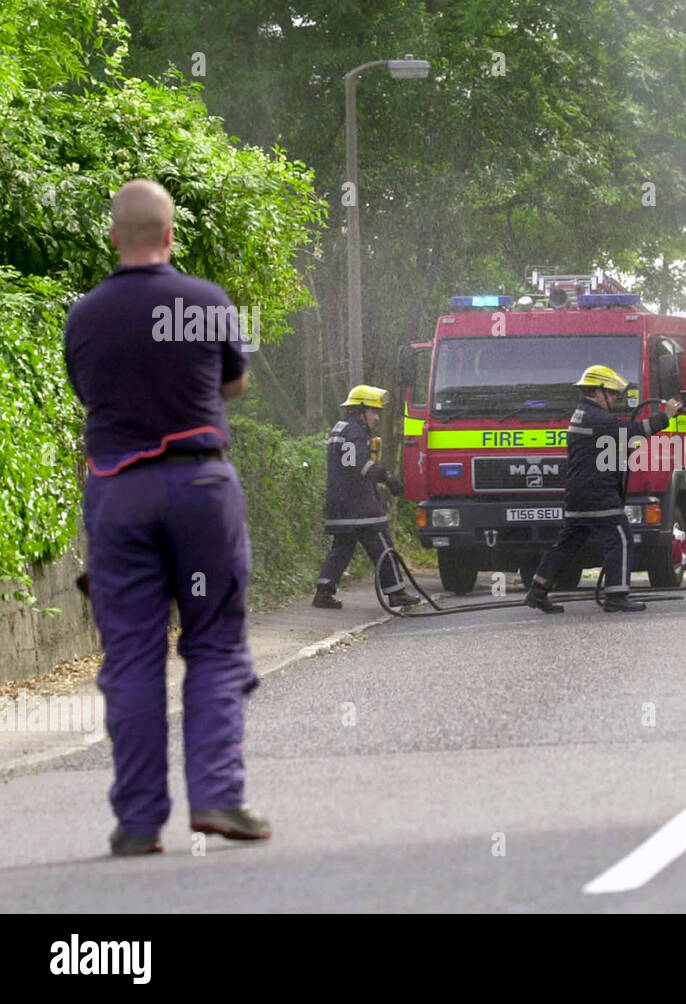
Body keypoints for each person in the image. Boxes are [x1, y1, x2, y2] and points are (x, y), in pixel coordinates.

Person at [64, 178, 270, 855]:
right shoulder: (206, 302)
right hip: (200, 491)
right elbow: (233, 384)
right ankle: (216, 797)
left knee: (132, 656)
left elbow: (88, 391)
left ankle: (138, 821)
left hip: (118, 496)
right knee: (212, 643)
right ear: (170, 235)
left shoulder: (85, 316)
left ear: (115, 237)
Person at [524, 365, 681, 613]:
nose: (615, 399)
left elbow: (600, 449)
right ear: (599, 392)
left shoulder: (583, 414)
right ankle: (616, 596)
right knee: (621, 538)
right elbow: (635, 431)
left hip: (578, 493)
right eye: (612, 394)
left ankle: (537, 591)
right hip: (597, 494)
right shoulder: (598, 418)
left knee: (568, 543)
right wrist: (666, 416)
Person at [313, 385, 420, 609]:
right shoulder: (354, 431)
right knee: (382, 543)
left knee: (342, 548)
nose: (377, 417)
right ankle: (396, 592)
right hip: (358, 505)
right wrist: (387, 478)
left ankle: (323, 592)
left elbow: (349, 465)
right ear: (360, 410)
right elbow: (357, 464)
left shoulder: (340, 428)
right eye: (373, 411)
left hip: (340, 503)